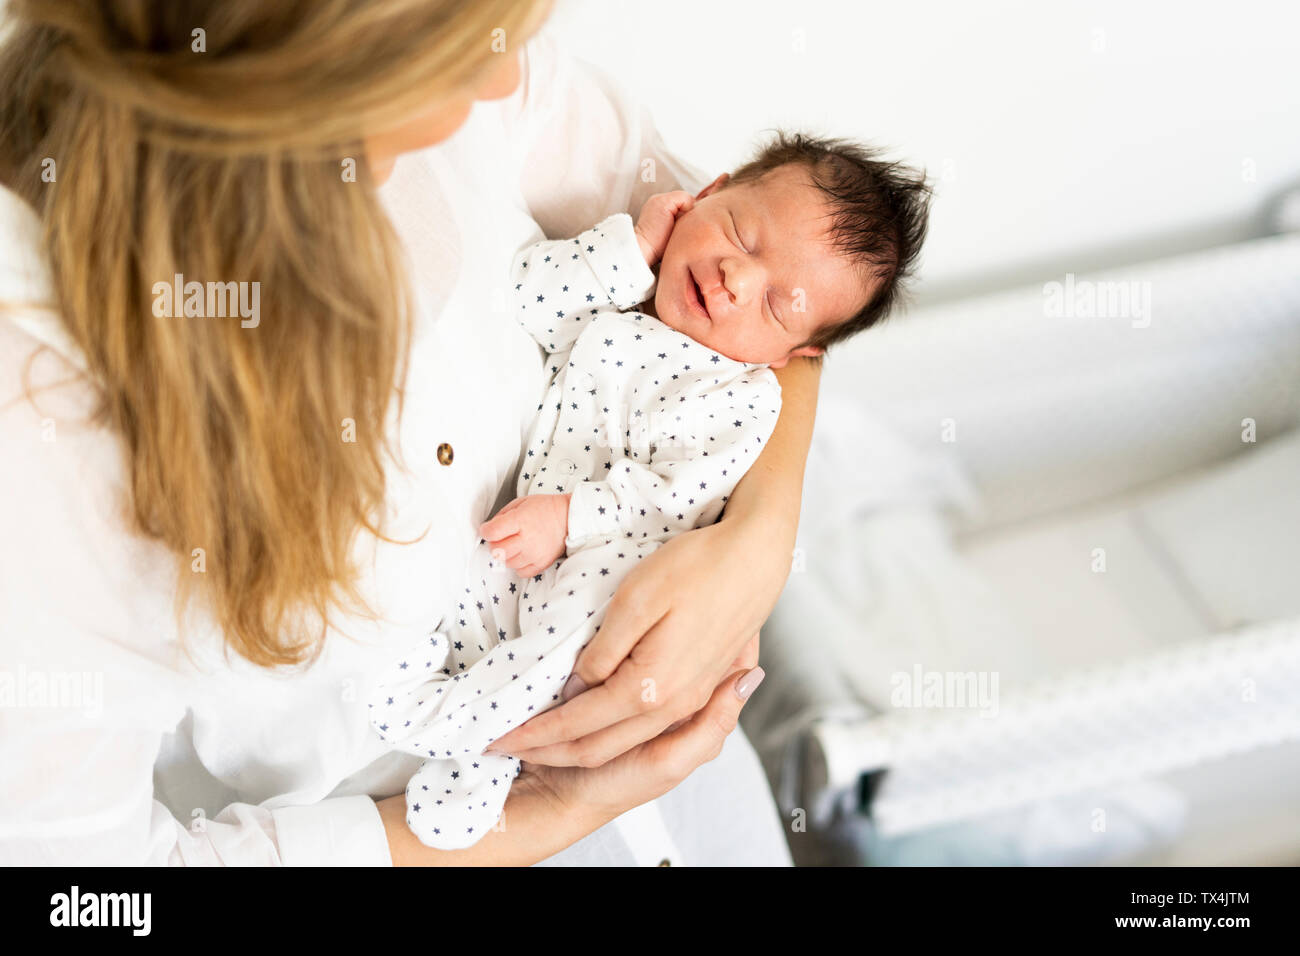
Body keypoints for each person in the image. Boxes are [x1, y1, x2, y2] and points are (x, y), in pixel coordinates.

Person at [0, 0, 821, 865]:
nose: (507, 72)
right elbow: (87, 896)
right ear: (336, 38)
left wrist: (761, 539)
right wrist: (552, 811)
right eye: (463, 39)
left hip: (695, 795)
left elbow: (789, 268)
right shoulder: (43, 434)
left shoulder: (478, 91)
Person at [371, 134, 931, 849]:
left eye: (777, 308)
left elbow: (666, 497)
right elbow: (529, 298)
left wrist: (571, 519)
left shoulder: (741, 398)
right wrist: (631, 248)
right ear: (707, 191)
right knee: (478, 595)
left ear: (798, 357)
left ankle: (474, 744)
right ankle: (444, 685)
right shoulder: (622, 287)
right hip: (528, 545)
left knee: (568, 634)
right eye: (740, 233)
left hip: (615, 565)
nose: (735, 279)